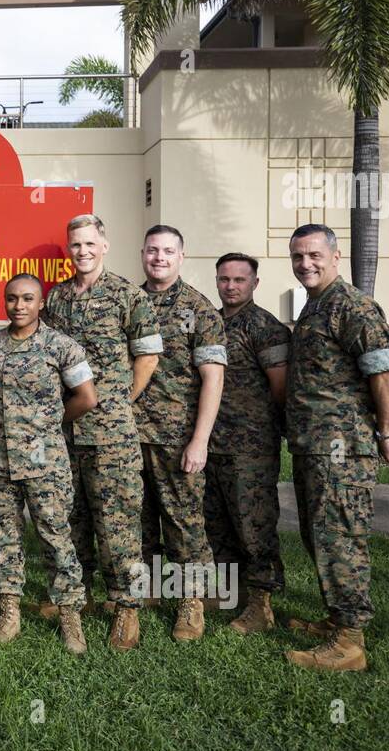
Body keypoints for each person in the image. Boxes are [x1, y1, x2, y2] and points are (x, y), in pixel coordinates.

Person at [283, 223, 389, 672]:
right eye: (297, 256)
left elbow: (386, 374)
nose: (305, 263)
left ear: (336, 256)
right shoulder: (317, 305)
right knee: (320, 536)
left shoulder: (353, 306)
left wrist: (385, 434)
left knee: (340, 539)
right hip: (312, 445)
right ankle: (337, 620)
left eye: (314, 255)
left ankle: (350, 642)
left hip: (342, 450)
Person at [42, 214, 162, 651]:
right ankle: (77, 596)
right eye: (75, 245)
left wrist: (122, 399)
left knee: (118, 524)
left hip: (111, 433)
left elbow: (147, 355)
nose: (83, 251)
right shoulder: (55, 298)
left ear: (105, 246)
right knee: (70, 520)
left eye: (90, 243)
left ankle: (126, 609)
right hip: (65, 430)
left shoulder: (128, 295)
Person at [0, 274, 97, 655]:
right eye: (12, 299)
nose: (19, 306)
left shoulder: (61, 346)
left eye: (27, 299)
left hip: (45, 461)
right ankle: (9, 610)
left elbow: (86, 397)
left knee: (56, 536)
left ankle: (69, 614)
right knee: (1, 537)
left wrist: (48, 421)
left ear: (41, 303)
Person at [133, 224, 226, 642]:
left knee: (184, 522)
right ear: (143, 254)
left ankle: (191, 603)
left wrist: (200, 440)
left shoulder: (199, 309)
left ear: (181, 257)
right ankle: (145, 593)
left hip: (177, 436)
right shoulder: (129, 301)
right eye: (153, 251)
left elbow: (213, 379)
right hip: (130, 433)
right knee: (137, 519)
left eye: (168, 252)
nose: (159, 258)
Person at [205, 252, 290, 632]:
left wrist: (262, 428)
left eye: (239, 280)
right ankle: (230, 592)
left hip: (251, 447)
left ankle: (261, 604)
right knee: (218, 522)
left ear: (255, 283)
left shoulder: (264, 327)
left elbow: (281, 388)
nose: (231, 286)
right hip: (213, 442)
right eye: (224, 279)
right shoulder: (212, 323)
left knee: (253, 524)